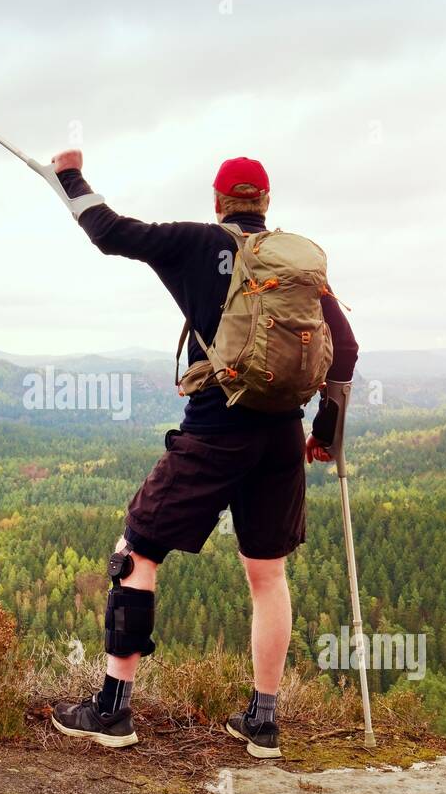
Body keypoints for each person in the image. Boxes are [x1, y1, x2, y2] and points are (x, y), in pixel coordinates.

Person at [49, 153, 359, 758]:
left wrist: (69, 177)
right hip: (280, 438)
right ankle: (262, 721)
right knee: (268, 575)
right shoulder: (295, 265)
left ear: (219, 202)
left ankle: (113, 710)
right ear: (264, 202)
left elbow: (108, 232)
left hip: (217, 429)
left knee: (135, 551)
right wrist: (324, 428)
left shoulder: (194, 243)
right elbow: (343, 347)